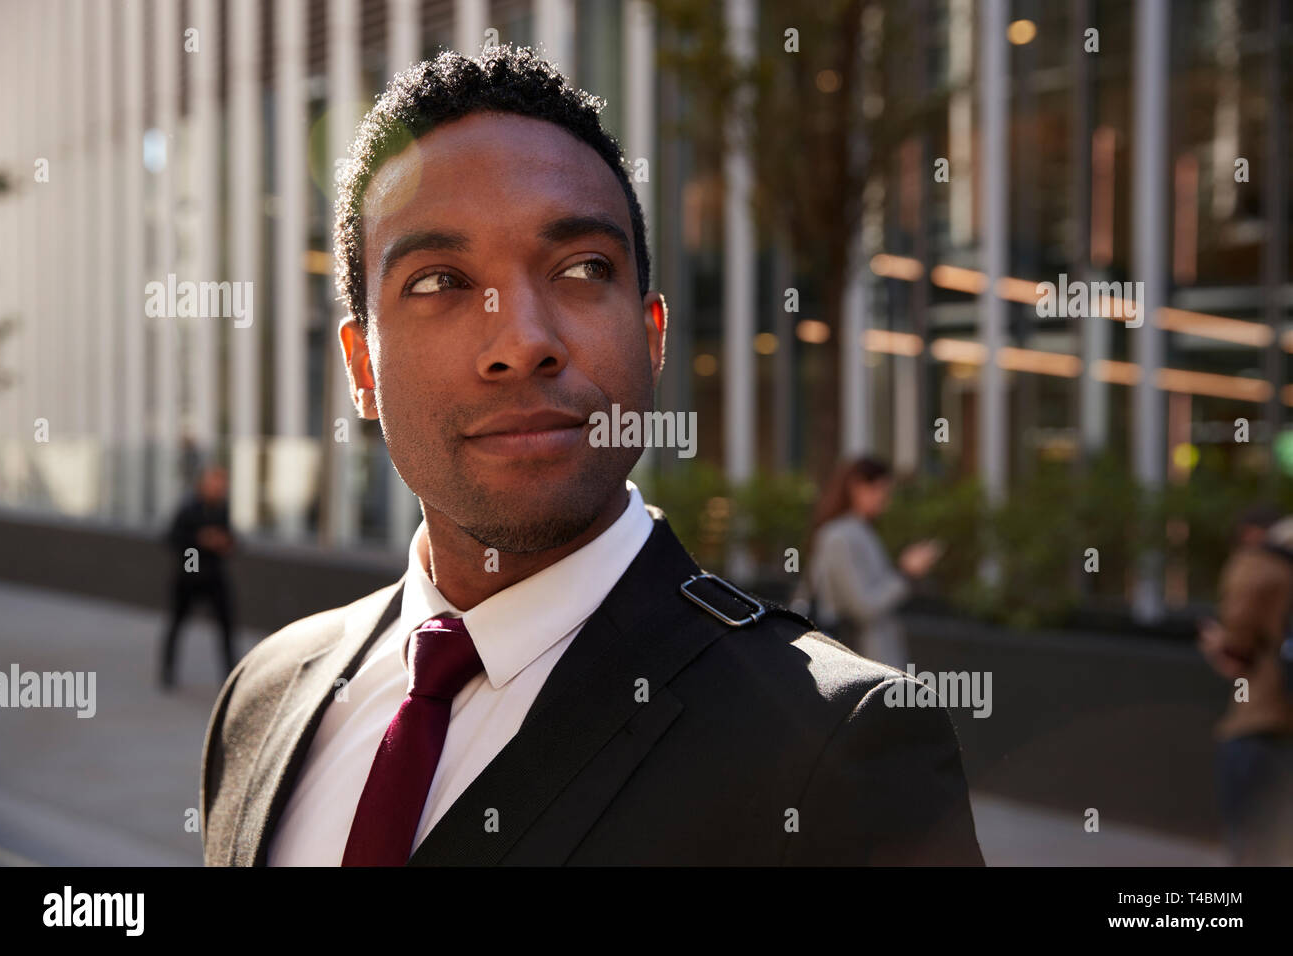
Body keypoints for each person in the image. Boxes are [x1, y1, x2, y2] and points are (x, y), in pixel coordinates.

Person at [199, 46, 982, 867]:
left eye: (581, 268)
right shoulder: (264, 700)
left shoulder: (837, 753)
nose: (523, 340)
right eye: (439, 282)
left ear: (652, 339)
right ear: (362, 367)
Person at [1198, 510, 1293, 865]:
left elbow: (1237, 654)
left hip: (1263, 726)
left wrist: (1217, 643)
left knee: (1253, 848)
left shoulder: (1260, 567)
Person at [801, 457, 941, 668]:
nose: (886, 499)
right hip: (860, 662)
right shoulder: (840, 535)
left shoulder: (861, 531)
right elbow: (863, 607)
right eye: (881, 490)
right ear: (857, 487)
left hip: (869, 661)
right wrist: (905, 573)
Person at [160, 464, 237, 689]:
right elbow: (173, 539)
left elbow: (231, 540)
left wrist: (225, 543)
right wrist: (200, 540)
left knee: (226, 627)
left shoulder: (221, 510)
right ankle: (168, 671)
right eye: (214, 484)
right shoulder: (188, 509)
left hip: (214, 576)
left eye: (221, 486)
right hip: (190, 576)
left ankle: (231, 676)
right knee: (177, 623)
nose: (218, 489)